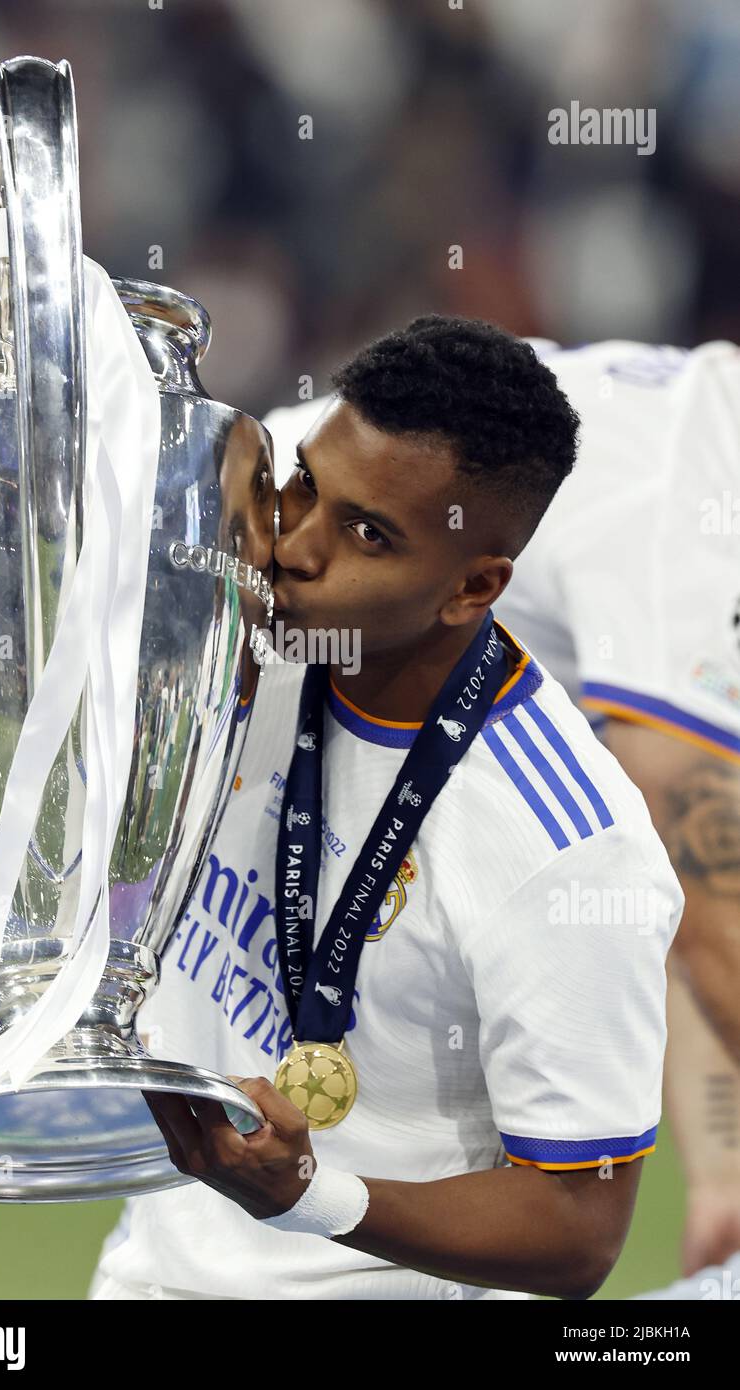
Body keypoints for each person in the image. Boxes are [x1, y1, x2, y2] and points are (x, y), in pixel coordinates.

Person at [88, 316, 682, 1301]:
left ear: (472, 586)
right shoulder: (227, 664)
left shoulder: (567, 853)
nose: (297, 549)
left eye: (368, 534)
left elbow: (578, 1232)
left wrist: (311, 1194)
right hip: (145, 1275)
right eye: (307, 488)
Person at [264, 334, 740, 1298]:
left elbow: (668, 909)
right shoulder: (691, 495)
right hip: (302, 625)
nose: (299, 538)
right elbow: (710, 893)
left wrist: (722, 1168)